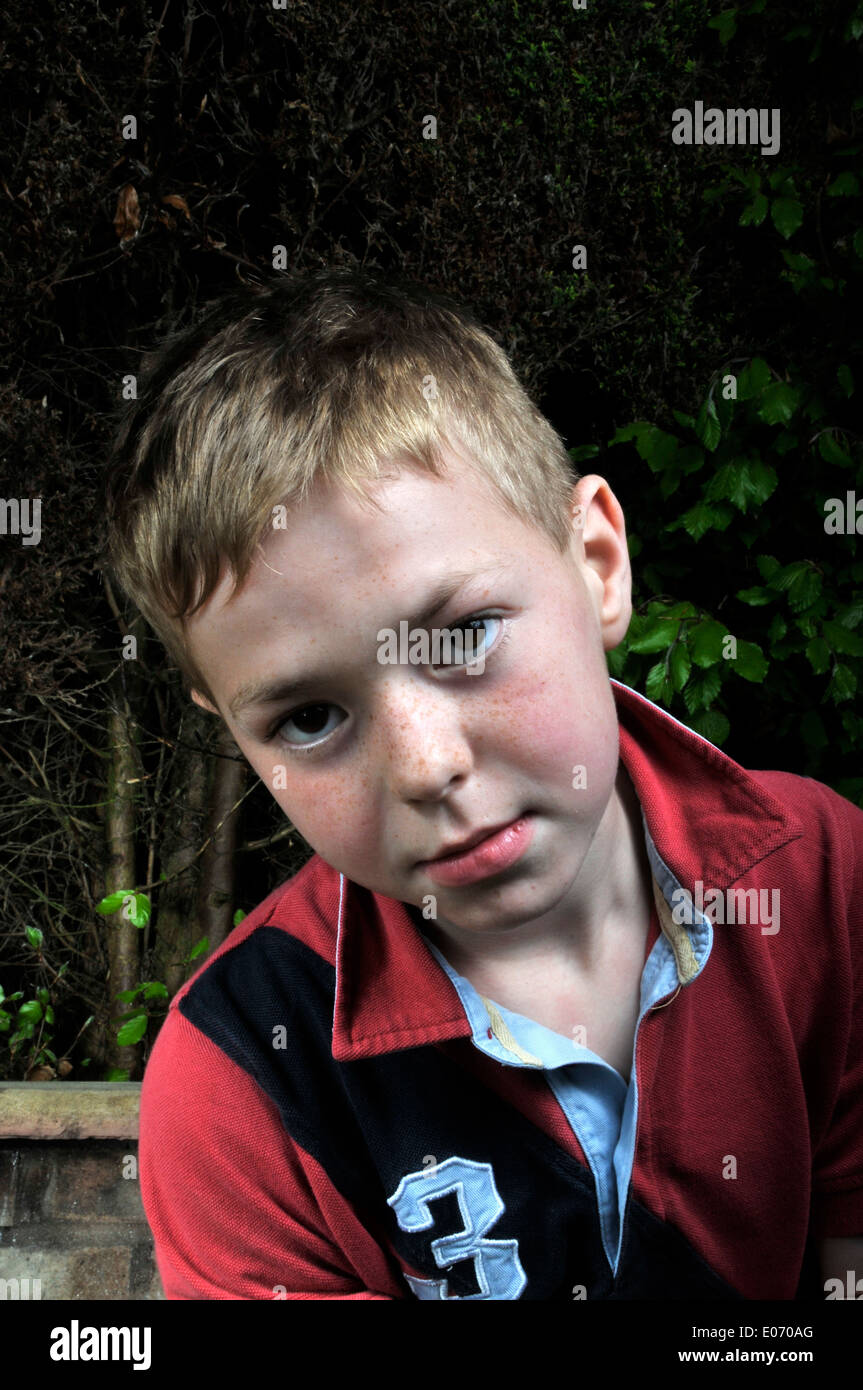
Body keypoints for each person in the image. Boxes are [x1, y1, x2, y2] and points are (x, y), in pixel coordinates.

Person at [104, 266, 863, 1300]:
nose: (426, 766)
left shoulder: (822, 881)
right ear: (236, 735)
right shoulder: (238, 1078)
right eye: (309, 718)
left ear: (595, 561)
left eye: (461, 634)